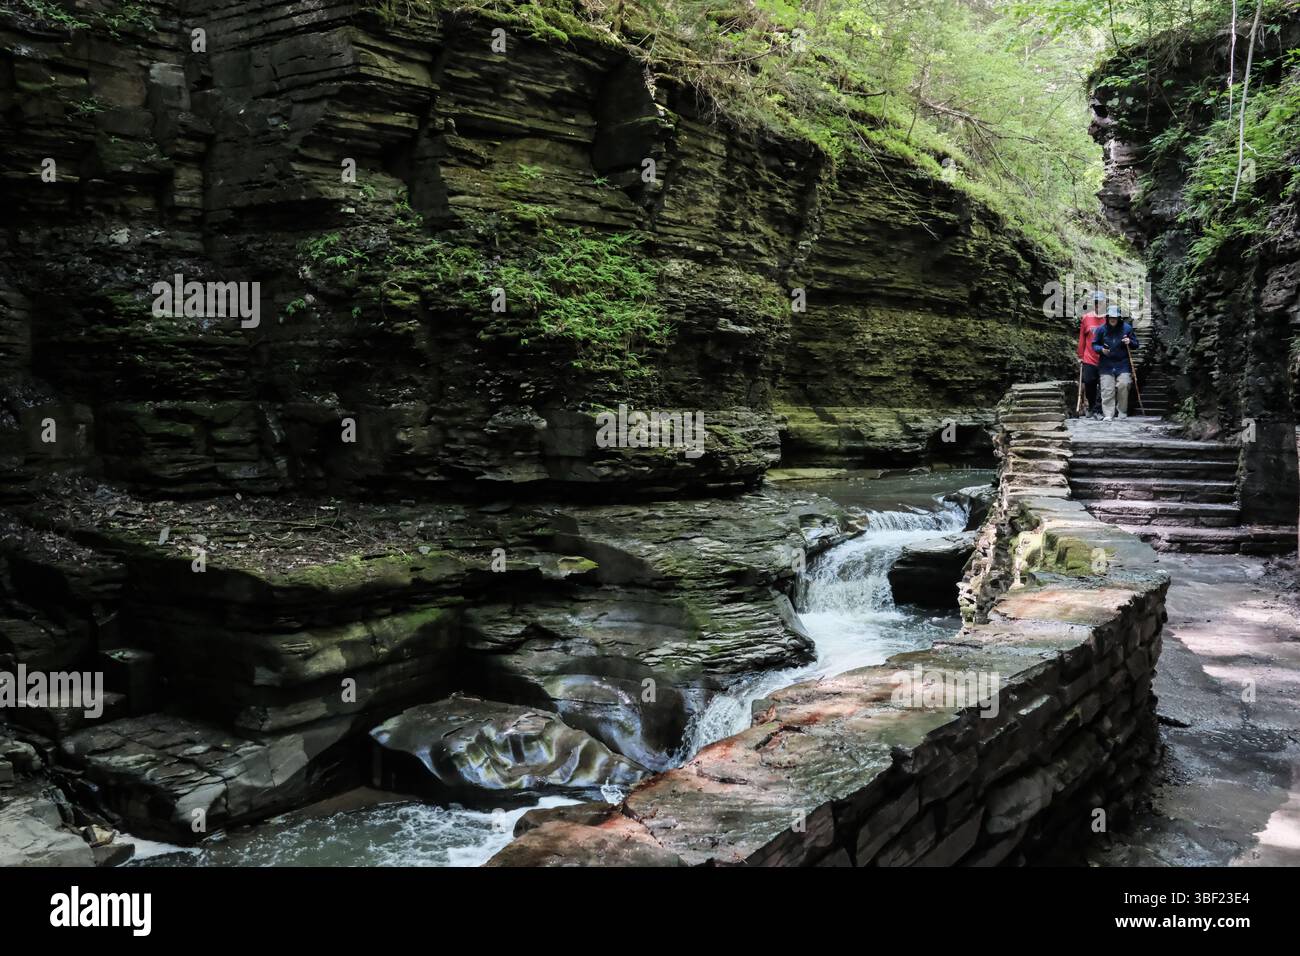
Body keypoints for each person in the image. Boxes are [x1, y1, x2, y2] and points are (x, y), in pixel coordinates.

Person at [1092, 305, 1140, 420]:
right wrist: (1101, 350)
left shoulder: (1127, 329)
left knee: (1124, 384)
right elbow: (1094, 344)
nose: (1113, 319)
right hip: (1106, 364)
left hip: (1122, 363)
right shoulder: (1101, 329)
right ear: (1107, 317)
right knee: (1107, 389)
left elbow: (1136, 344)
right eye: (1110, 317)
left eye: (1115, 317)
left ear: (1119, 318)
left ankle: (1122, 412)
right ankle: (1108, 414)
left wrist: (1129, 341)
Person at [1077, 291, 1107, 419]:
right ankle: (1092, 406)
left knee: (1105, 385)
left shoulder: (1109, 318)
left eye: (1100, 302)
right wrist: (1080, 355)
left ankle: (1098, 410)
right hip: (1089, 357)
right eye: (1095, 303)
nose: (1097, 305)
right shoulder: (1086, 318)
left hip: (1105, 358)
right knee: (1089, 383)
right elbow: (1082, 338)